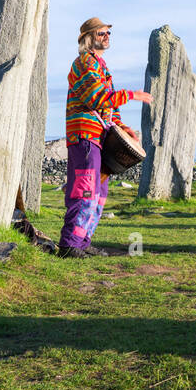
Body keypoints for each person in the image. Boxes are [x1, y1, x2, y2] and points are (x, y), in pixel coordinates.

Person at [59, 17, 153, 258]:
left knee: (99, 193)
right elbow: (96, 98)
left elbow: (108, 108)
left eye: (108, 33)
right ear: (89, 39)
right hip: (85, 135)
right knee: (85, 189)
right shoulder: (84, 63)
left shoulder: (101, 66)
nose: (107, 36)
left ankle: (82, 241)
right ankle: (70, 244)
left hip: (99, 138)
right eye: (101, 33)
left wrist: (122, 128)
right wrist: (132, 94)